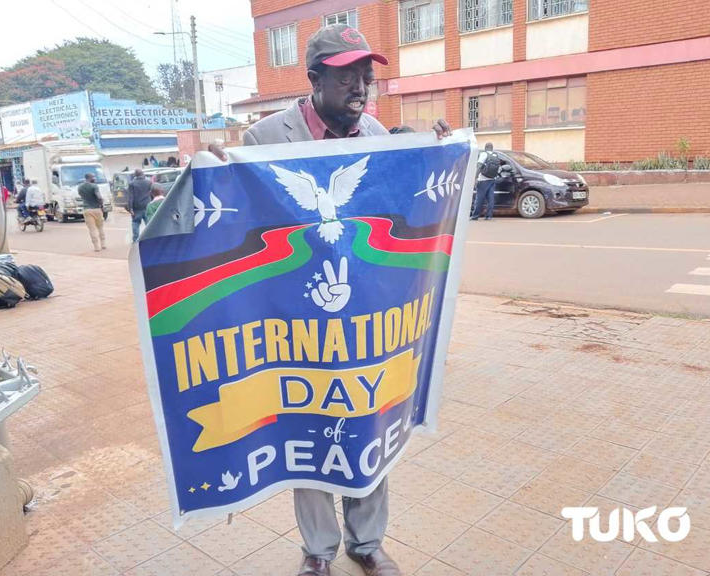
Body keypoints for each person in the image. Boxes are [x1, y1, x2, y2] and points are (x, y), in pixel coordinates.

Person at [211, 24, 451, 576]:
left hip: (367, 318)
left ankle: (365, 543)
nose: (362, 87)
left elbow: (403, 209)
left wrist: (432, 158)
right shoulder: (266, 139)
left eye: (366, 75)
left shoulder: (376, 134)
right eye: (348, 76)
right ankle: (317, 550)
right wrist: (219, 182)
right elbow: (244, 230)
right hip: (299, 319)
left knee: (368, 420)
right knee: (308, 430)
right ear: (315, 79)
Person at [78, 173, 106, 252]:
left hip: (87, 209)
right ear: (90, 178)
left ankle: (96, 247)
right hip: (96, 209)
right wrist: (101, 205)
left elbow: (81, 196)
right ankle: (103, 244)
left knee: (92, 229)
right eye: (93, 177)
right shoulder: (94, 186)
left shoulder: (80, 187)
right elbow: (99, 197)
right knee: (100, 227)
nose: (95, 178)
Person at [471, 142, 499, 221]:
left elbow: (479, 166)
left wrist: (475, 178)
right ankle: (489, 216)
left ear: (485, 148)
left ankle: (475, 216)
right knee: (490, 199)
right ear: (492, 148)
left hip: (483, 180)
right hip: (492, 179)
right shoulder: (495, 155)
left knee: (479, 198)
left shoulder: (484, 154)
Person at [127, 168, 152, 242]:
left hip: (136, 207)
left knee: (135, 223)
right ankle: (150, 238)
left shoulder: (132, 184)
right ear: (142, 174)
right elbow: (151, 194)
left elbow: (130, 197)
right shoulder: (149, 182)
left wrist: (130, 208)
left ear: (135, 175)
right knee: (149, 223)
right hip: (147, 206)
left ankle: (135, 240)